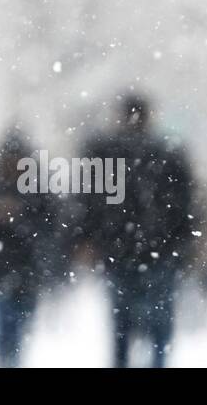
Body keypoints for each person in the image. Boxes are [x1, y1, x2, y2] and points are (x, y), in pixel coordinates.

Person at [81, 93, 198, 368]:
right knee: (160, 328)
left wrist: (87, 238)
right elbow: (185, 204)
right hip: (161, 251)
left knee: (122, 326)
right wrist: (185, 242)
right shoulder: (170, 152)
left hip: (119, 252)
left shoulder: (103, 152)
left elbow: (89, 203)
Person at [0, 127, 51, 366]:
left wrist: (18, 216)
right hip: (0, 269)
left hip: (27, 270)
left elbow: (49, 224)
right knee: (5, 326)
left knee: (20, 326)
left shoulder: (36, 185)